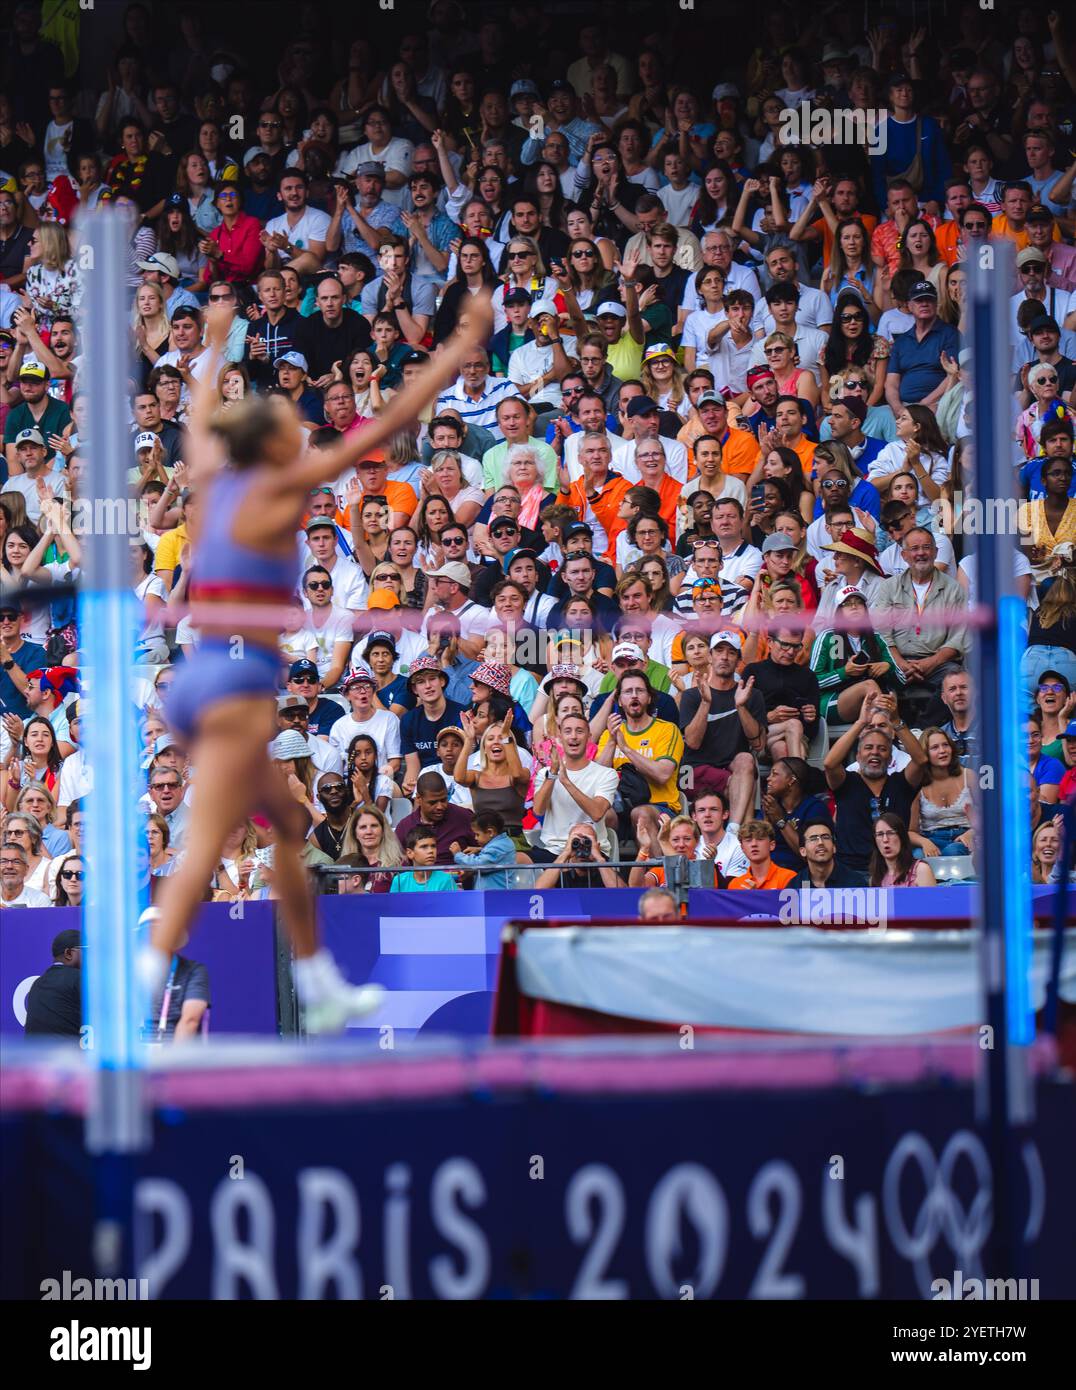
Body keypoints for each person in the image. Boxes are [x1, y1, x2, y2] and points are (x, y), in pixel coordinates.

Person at [145, 294, 491, 1032]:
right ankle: (143, 968)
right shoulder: (278, 490)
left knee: (289, 828)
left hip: (195, 679)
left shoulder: (210, 478)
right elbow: (393, 424)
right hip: (234, 685)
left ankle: (316, 978)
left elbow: (204, 416)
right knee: (208, 840)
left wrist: (210, 344)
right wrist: (460, 343)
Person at [678, 631, 766, 827]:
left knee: (746, 759)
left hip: (731, 769)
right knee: (743, 786)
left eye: (731, 652)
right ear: (709, 656)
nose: (724, 657)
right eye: (719, 651)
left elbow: (758, 744)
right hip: (692, 772)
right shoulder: (692, 695)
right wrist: (705, 703)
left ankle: (734, 831)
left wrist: (741, 706)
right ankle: (745, 832)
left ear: (738, 660)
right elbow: (692, 742)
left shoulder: (751, 695)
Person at [395, 770, 475, 864]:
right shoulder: (405, 826)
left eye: (444, 800)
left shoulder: (464, 817)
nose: (440, 807)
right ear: (418, 799)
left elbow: (487, 853)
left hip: (459, 877)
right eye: (432, 803)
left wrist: (471, 869)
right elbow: (398, 865)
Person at [23, 928, 83, 1036]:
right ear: (69, 953)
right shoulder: (78, 978)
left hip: (33, 1052)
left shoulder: (37, 983)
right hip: (67, 1052)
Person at [450, 810, 518, 888]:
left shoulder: (498, 847)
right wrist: (480, 849)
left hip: (497, 895)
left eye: (477, 834)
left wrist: (458, 854)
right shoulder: (502, 843)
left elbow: (479, 864)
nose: (475, 838)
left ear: (490, 832)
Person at [794, 819, 868, 888]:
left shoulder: (855, 883)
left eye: (825, 837)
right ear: (803, 851)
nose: (820, 843)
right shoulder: (796, 885)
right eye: (813, 839)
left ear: (834, 847)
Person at [869, 812, 937, 887]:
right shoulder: (874, 878)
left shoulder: (921, 870)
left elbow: (931, 899)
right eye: (880, 834)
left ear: (901, 837)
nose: (885, 839)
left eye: (891, 833)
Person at [726, 820, 798, 891]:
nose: (754, 844)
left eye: (760, 839)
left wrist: (758, 897)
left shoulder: (789, 877)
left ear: (772, 845)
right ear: (742, 848)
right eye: (748, 840)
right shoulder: (735, 884)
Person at [390, 824, 460, 892]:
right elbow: (393, 904)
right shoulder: (399, 881)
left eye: (433, 846)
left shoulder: (446, 880)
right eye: (424, 847)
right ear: (410, 853)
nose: (431, 851)